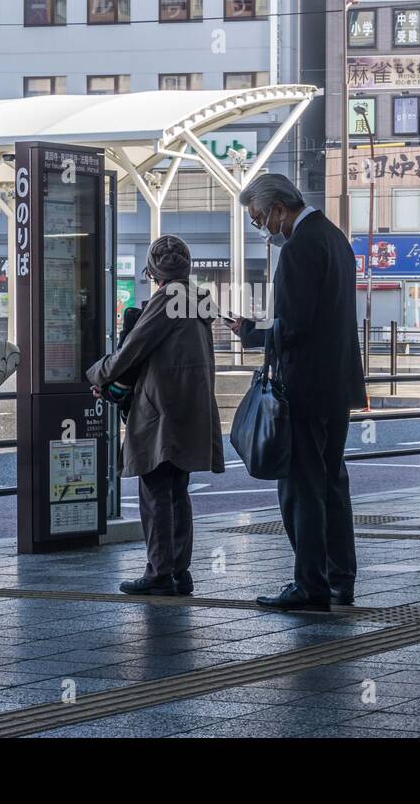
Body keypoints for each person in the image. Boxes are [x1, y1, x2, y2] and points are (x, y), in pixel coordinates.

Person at [228, 173, 365, 612]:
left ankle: (310, 584)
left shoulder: (299, 247)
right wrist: (258, 333)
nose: (263, 228)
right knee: (331, 483)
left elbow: (295, 325)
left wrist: (252, 334)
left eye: (259, 219)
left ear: (279, 208)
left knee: (301, 488)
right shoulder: (335, 238)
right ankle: (340, 578)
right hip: (337, 385)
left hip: (304, 387)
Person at [87, 235, 224, 596]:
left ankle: (159, 573)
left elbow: (133, 349)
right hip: (191, 405)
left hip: (162, 408)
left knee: (155, 490)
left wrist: (99, 372)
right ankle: (180, 571)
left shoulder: (166, 299)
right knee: (177, 489)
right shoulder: (197, 299)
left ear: (152, 270)